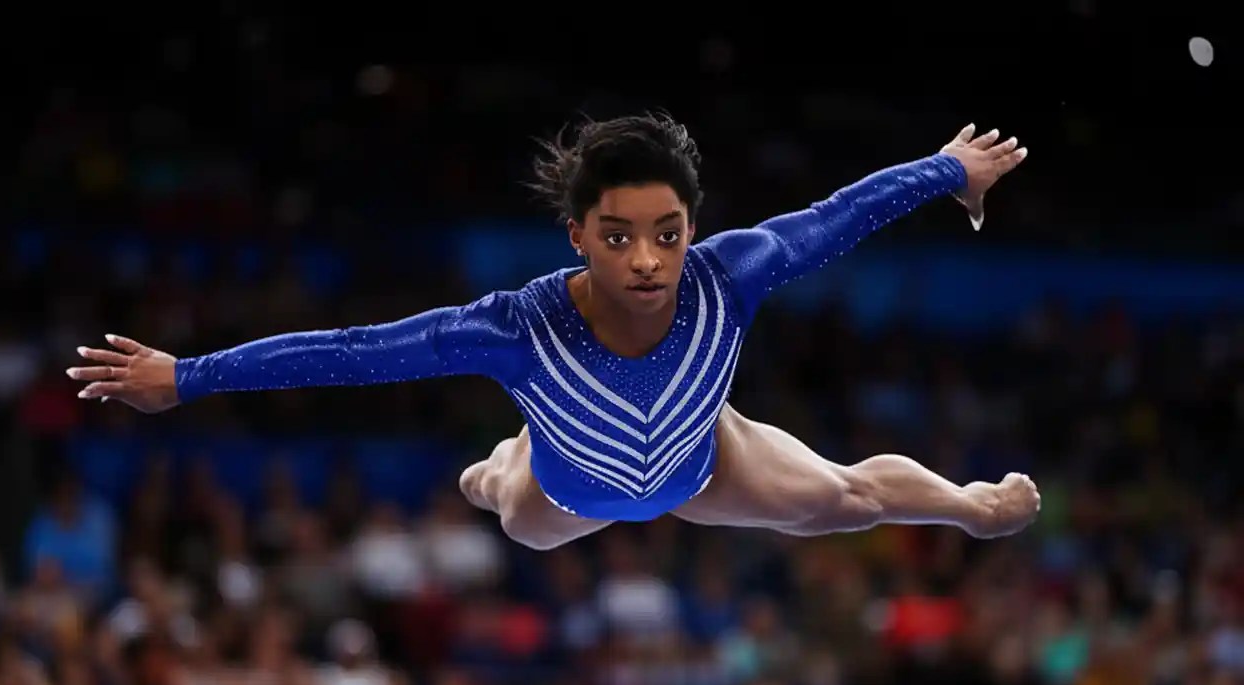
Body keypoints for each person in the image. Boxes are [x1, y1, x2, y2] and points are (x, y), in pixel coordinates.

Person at [67, 113, 1039, 551]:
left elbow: (834, 216)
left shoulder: (728, 277)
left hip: (702, 461)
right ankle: (503, 460)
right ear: (577, 235)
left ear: (690, 228)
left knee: (844, 498)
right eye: (618, 237)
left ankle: (968, 505)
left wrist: (947, 170)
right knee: (507, 506)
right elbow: (353, 352)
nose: (648, 262)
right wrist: (186, 377)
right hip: (564, 495)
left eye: (667, 233)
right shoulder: (516, 326)